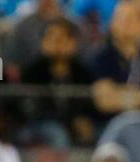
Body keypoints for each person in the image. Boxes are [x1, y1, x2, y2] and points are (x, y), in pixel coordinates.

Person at [17, 15, 96, 149]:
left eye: (62, 38)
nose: (57, 43)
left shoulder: (83, 72)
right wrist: (70, 122)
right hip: (37, 125)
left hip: (71, 124)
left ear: (74, 43)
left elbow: (88, 107)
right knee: (57, 134)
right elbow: (31, 110)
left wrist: (83, 120)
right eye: (51, 38)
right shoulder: (33, 71)